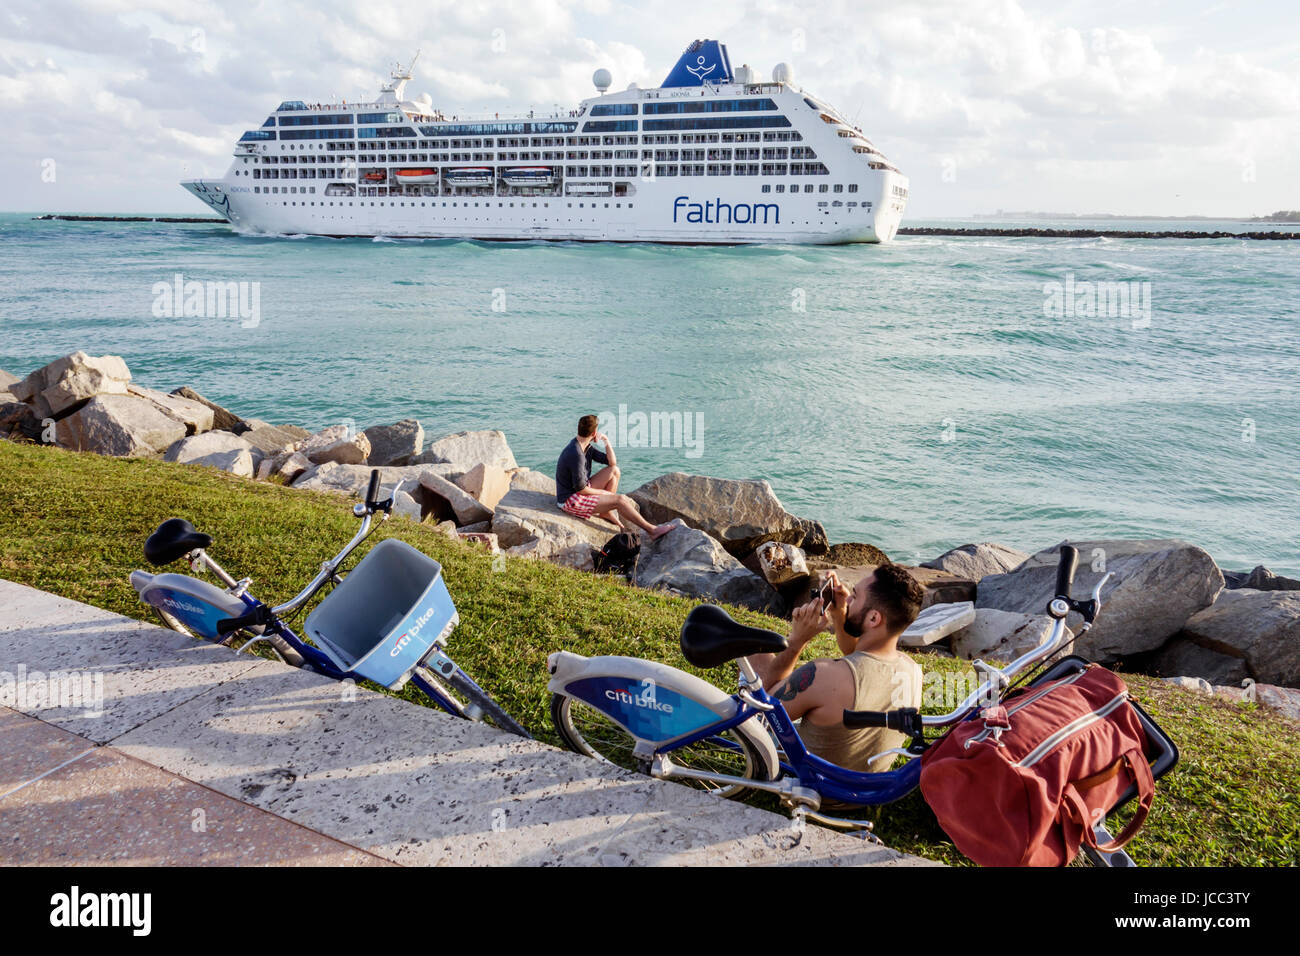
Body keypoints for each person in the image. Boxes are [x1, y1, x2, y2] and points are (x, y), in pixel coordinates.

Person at [750, 564, 924, 779]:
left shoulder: (825, 675)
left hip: (813, 787)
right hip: (859, 791)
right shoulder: (913, 671)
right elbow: (859, 657)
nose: (848, 598)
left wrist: (797, 641)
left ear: (873, 619)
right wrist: (840, 613)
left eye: (855, 596)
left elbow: (761, 718)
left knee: (757, 655)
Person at [555, 415, 672, 539]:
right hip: (570, 500)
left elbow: (612, 463)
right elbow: (581, 489)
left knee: (614, 471)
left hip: (578, 489)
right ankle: (652, 530)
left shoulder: (584, 446)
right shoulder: (576, 454)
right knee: (620, 500)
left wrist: (606, 441)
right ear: (594, 432)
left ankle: (606, 512)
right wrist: (604, 493)